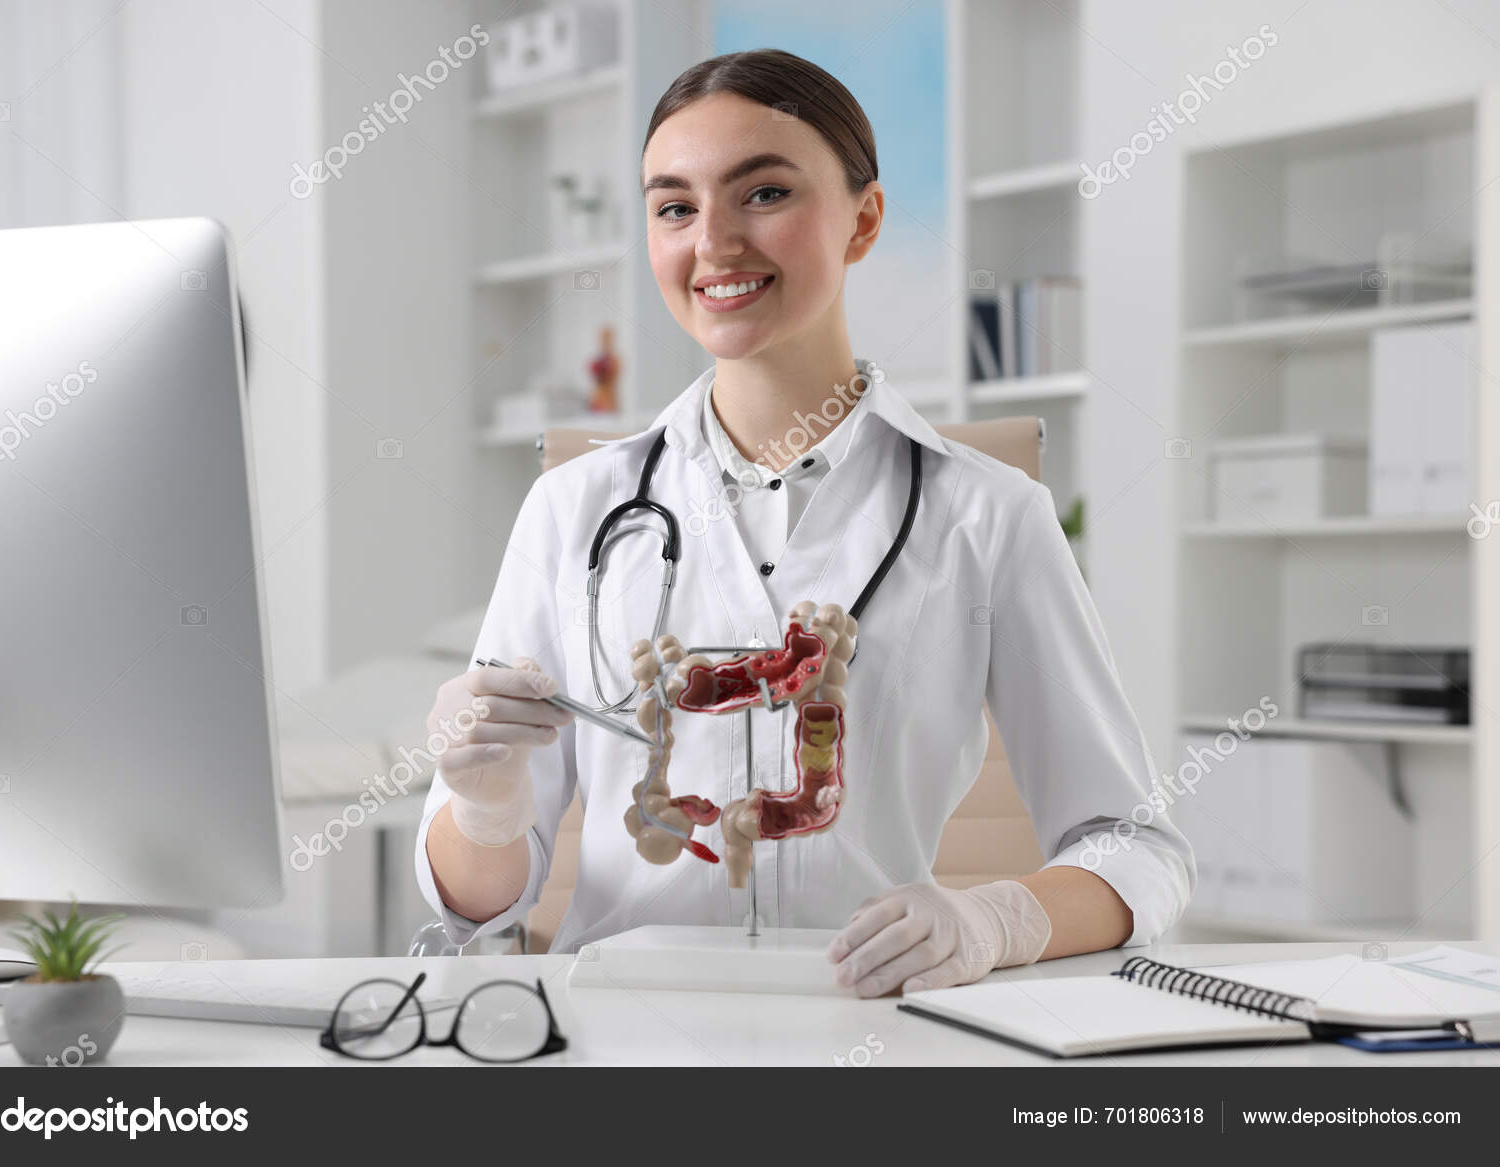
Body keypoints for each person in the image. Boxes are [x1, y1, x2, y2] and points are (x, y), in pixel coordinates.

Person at [416, 48, 1192, 997]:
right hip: (619, 1035)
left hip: (874, 1024)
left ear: (863, 221)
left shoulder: (990, 514)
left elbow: (1136, 846)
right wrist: (488, 810)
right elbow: (475, 905)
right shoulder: (578, 509)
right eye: (674, 208)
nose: (714, 243)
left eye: (765, 193)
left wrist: (999, 920)